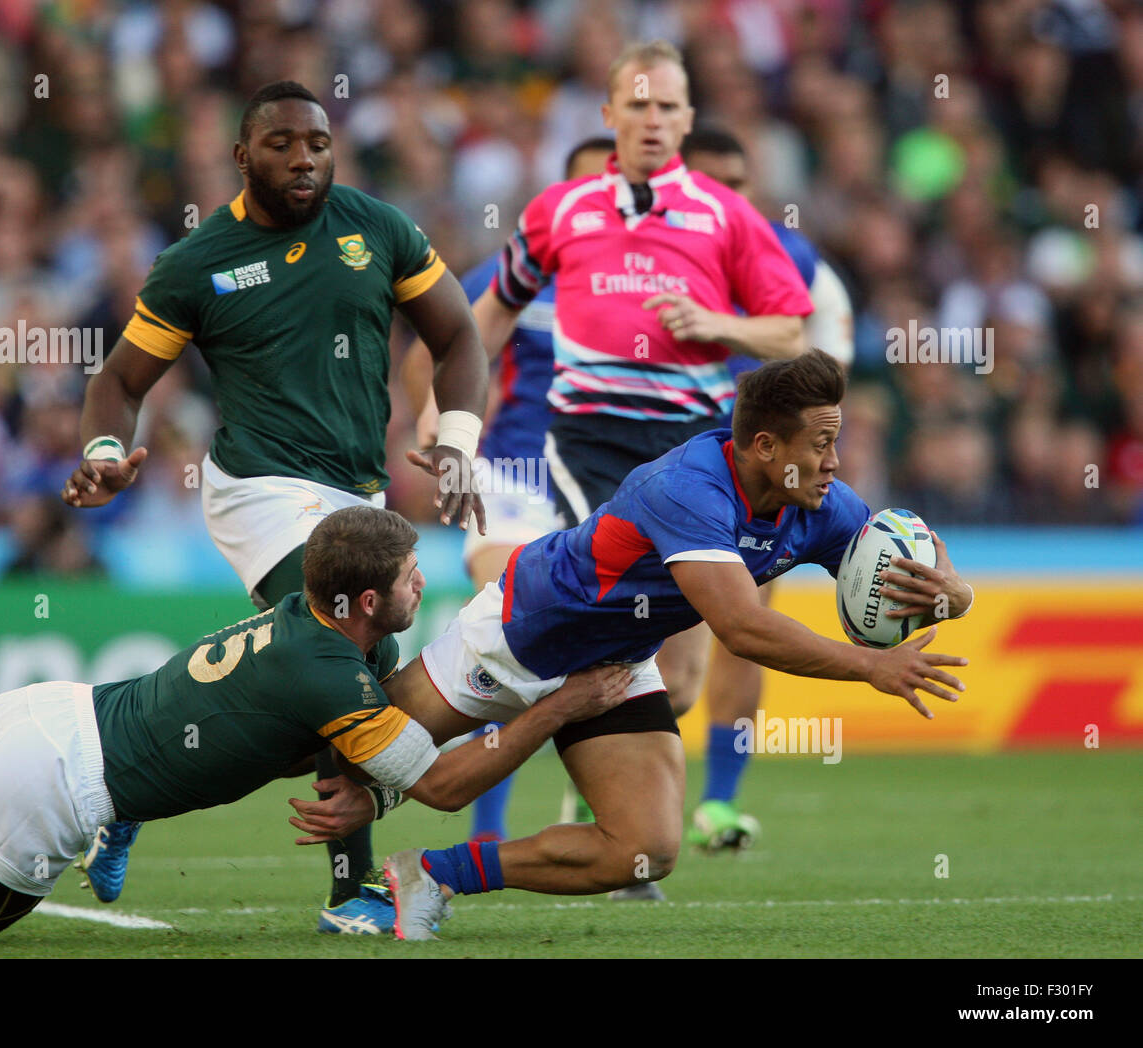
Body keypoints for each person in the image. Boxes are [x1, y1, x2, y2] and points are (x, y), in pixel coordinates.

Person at [287, 351, 974, 940]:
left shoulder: (819, 502)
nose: (836, 462)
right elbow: (742, 627)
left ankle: (430, 876)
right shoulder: (689, 489)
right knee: (346, 744)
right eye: (821, 444)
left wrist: (954, 595)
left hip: (614, 663)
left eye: (837, 441)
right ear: (765, 447)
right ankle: (346, 894)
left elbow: (896, 562)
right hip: (520, 635)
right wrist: (872, 667)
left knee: (644, 851)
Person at [61, 81, 490, 933]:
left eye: (319, 144)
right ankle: (351, 893)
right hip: (260, 487)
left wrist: (460, 440)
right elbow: (118, 380)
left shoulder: (378, 228)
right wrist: (104, 451)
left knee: (314, 694)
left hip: (356, 493)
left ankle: (131, 781)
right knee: (348, 653)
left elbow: (458, 338)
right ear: (242, 156)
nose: (305, 159)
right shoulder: (196, 263)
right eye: (284, 143)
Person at [0, 507, 629, 943]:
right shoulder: (331, 668)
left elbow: (353, 739)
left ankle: (127, 821)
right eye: (407, 576)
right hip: (54, 780)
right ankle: (120, 822)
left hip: (47, 709)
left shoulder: (329, 629)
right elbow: (445, 786)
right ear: (360, 602)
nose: (423, 582)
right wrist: (560, 703)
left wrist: (374, 794)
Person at [465, 40, 814, 734]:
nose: (652, 119)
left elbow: (789, 333)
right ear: (609, 112)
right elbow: (492, 310)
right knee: (597, 616)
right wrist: (446, 415)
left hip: (688, 453)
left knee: (677, 682)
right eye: (637, 104)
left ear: (687, 119)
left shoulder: (726, 215)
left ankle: (583, 756)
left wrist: (716, 323)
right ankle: (472, 722)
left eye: (666, 106)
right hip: (586, 443)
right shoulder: (560, 209)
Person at [399, 135, 616, 852]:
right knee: (511, 634)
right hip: (515, 475)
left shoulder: (649, 285)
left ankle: (603, 807)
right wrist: (439, 428)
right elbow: (433, 355)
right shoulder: (513, 273)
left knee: (610, 651)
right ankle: (486, 833)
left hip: (609, 485)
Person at [679, 126, 857, 851]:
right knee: (658, 650)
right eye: (710, 180)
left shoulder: (794, 260)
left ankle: (718, 803)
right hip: (667, 469)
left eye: (739, 181)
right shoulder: (650, 255)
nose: (727, 194)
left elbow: (822, 372)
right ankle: (604, 786)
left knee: (744, 636)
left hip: (756, 475)